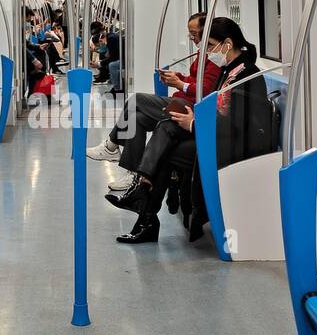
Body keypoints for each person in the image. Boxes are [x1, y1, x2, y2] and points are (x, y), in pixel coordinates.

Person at [108, 17, 274, 244]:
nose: (209, 52)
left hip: (230, 145)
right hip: (216, 134)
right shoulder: (230, 70)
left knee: (165, 147)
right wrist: (194, 119)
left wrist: (194, 124)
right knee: (166, 126)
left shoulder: (246, 75)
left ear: (227, 43)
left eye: (211, 46)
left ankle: (144, 207)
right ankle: (143, 195)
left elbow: (240, 124)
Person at [85, 12, 218, 191]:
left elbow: (206, 89)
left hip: (191, 109)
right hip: (183, 101)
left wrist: (180, 84)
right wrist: (178, 78)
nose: (192, 38)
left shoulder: (215, 56)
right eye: (190, 34)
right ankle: (133, 174)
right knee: (136, 118)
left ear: (206, 30)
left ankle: (111, 145)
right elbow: (196, 80)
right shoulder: (204, 52)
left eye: (194, 33)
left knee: (136, 100)